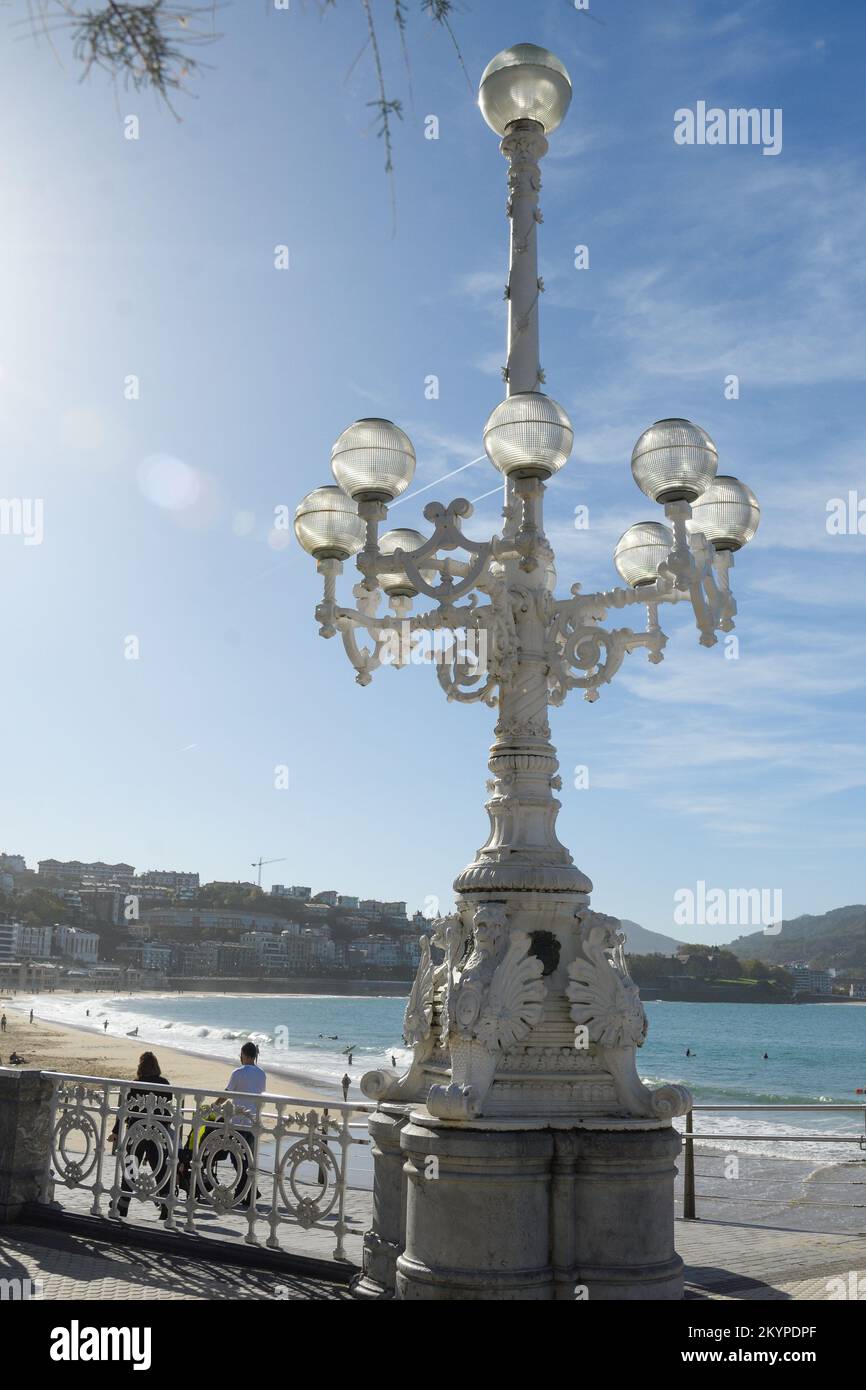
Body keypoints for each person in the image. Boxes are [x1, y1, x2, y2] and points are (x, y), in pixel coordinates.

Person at [110, 1052, 173, 1221]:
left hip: (136, 1132)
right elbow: (168, 1112)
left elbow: (124, 1110)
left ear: (141, 1066)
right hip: (156, 1133)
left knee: (131, 1167)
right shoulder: (165, 1084)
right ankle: (167, 1204)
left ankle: (123, 1204)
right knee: (159, 1169)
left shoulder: (135, 1085)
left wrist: (116, 1131)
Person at [218, 1042, 266, 1209]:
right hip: (253, 1120)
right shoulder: (262, 1074)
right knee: (248, 1158)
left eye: (240, 1054)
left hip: (238, 1121)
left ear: (245, 1054)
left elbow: (227, 1092)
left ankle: (243, 1190)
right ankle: (252, 1190)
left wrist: (214, 1106)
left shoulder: (238, 1072)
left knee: (237, 1157)